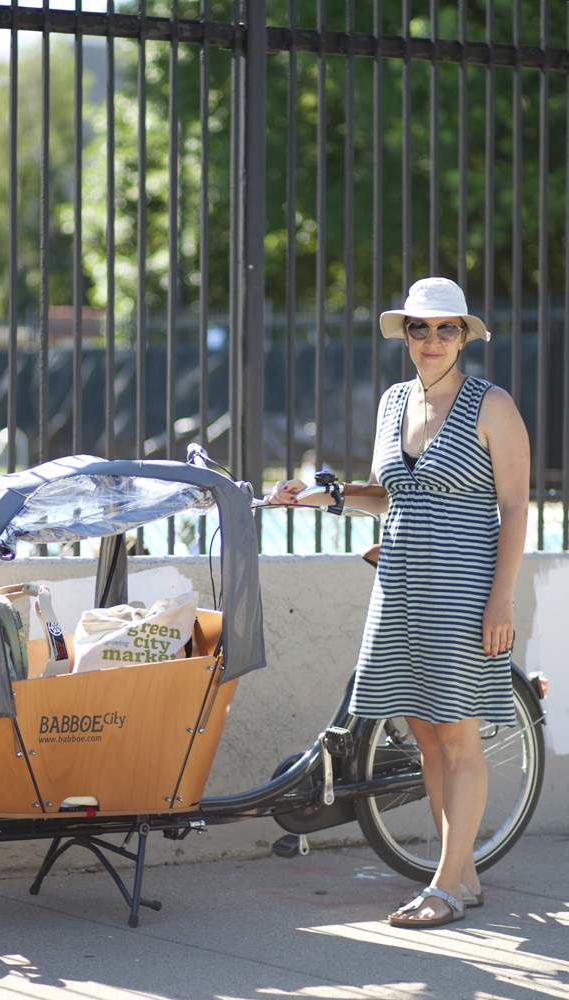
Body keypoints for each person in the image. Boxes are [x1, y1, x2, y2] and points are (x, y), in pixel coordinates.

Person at [265, 277, 530, 928]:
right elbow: (397, 494)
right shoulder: (392, 404)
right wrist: (322, 499)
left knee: (459, 738)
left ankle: (443, 886)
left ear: (465, 336)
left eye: (446, 328)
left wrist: (501, 601)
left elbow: (517, 507)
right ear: (405, 336)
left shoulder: (491, 405)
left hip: (463, 592)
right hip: (401, 587)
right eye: (420, 328)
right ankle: (461, 874)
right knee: (426, 739)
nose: (432, 340)